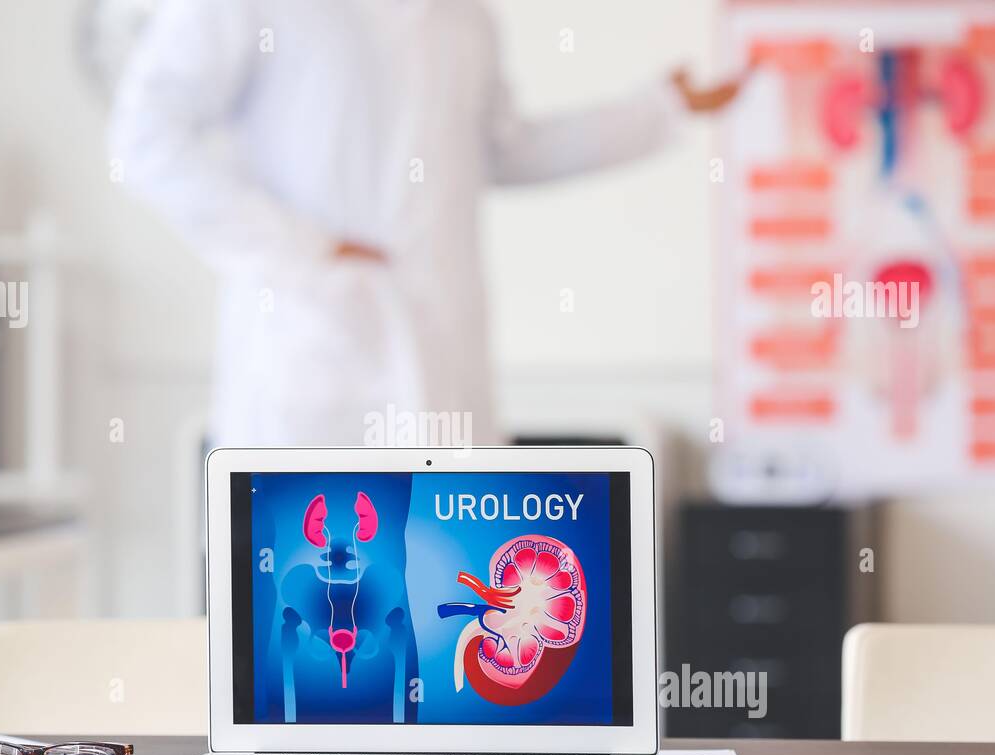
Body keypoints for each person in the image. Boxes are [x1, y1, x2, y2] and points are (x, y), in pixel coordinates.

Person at [109, 0, 745, 447]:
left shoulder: (464, 18)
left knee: (444, 602)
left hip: (443, 357)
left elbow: (506, 150)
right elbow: (145, 141)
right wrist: (309, 250)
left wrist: (658, 109)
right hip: (311, 357)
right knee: (308, 605)